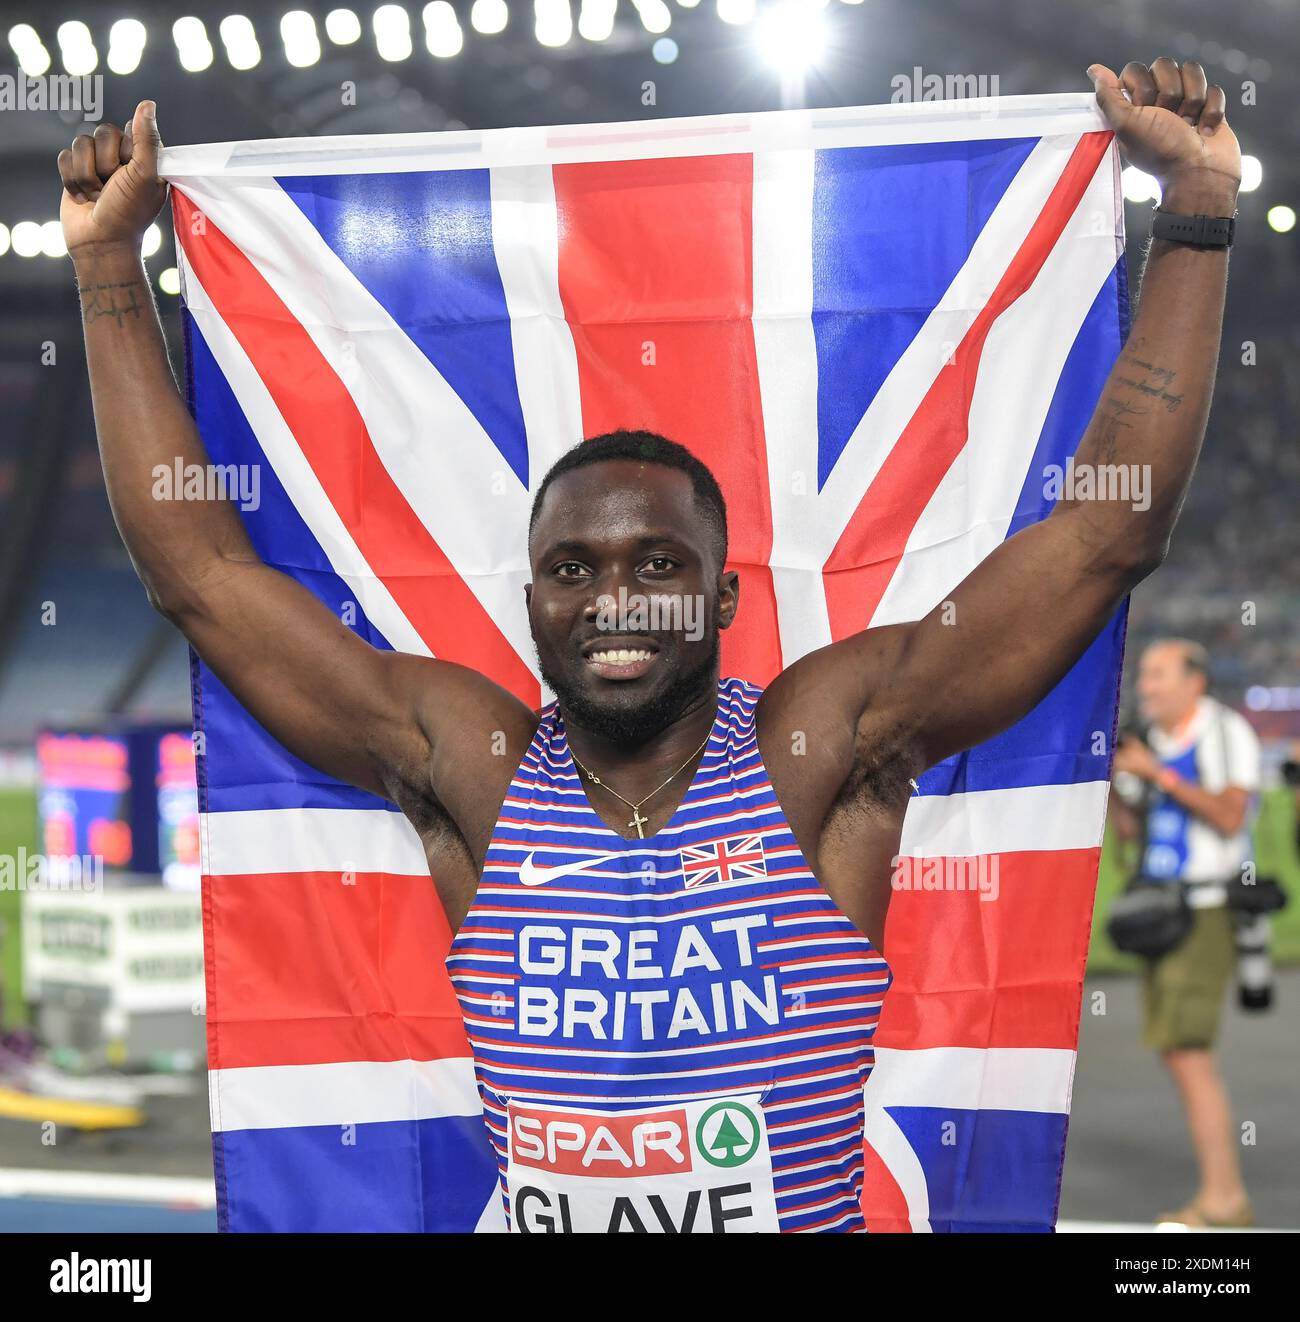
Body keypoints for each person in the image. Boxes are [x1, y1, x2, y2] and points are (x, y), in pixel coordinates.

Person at [58, 59, 1241, 1232]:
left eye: (656, 565)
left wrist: (1192, 210)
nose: (613, 599)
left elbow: (1101, 535)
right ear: (532, 604)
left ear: (723, 598)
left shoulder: (813, 752)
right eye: (572, 570)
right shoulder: (473, 765)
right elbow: (204, 580)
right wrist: (111, 267)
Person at [1111, 639, 1260, 1228]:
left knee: (1189, 1053)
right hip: (1160, 908)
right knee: (1179, 1051)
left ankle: (1225, 1198)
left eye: (1157, 675)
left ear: (1195, 680)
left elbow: (1228, 816)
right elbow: (1131, 836)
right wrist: (1120, 787)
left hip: (1204, 909)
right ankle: (1223, 1195)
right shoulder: (1152, 741)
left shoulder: (1225, 733)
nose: (1145, 686)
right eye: (1143, 675)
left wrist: (1158, 774)